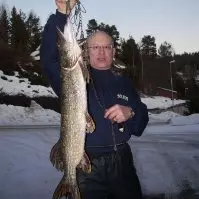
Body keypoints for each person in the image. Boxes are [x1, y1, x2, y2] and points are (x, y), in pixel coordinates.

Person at [40, 1, 149, 199]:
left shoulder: (124, 83)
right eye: (95, 47)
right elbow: (48, 57)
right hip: (87, 165)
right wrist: (62, 12)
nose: (101, 52)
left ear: (113, 52)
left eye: (106, 47)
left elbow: (140, 125)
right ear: (86, 51)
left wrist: (131, 112)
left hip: (123, 165)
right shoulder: (72, 77)